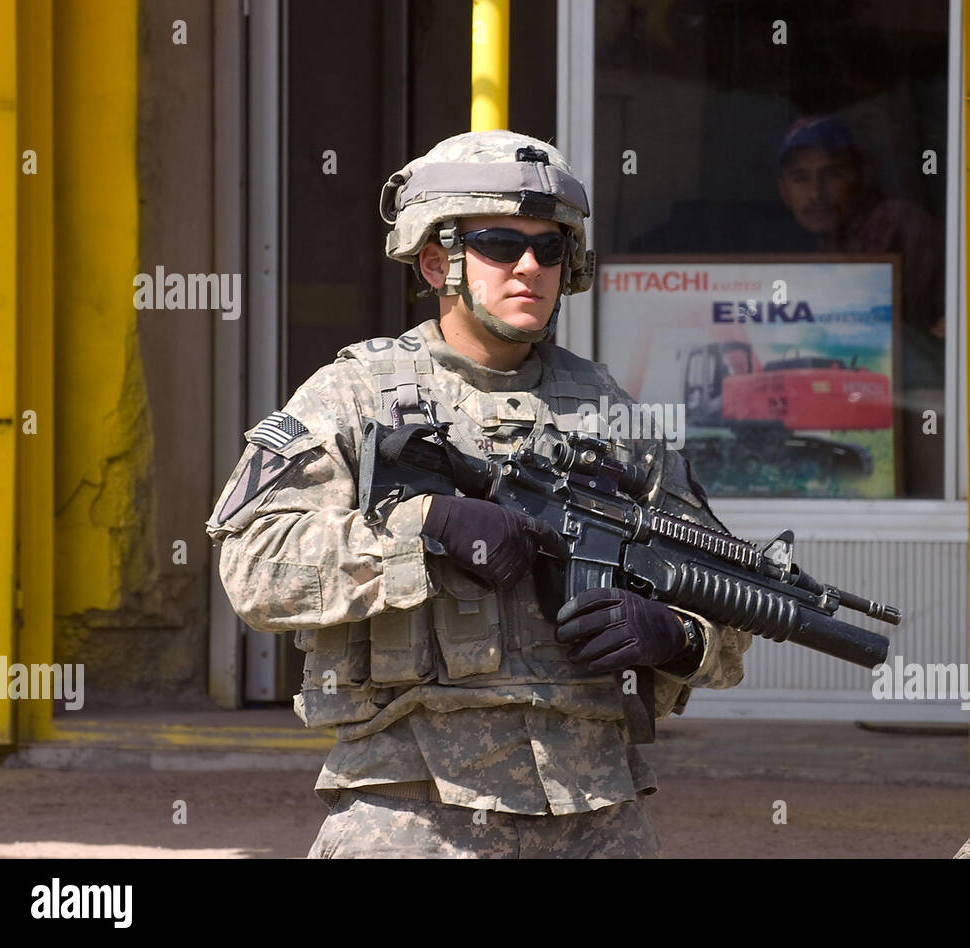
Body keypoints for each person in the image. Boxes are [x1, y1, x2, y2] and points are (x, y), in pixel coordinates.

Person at [206, 130, 751, 858]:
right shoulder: (358, 395)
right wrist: (424, 533)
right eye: (499, 245)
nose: (530, 267)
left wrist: (678, 637)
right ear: (438, 262)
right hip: (412, 807)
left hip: (597, 809)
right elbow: (255, 567)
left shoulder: (610, 415)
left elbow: (731, 592)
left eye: (549, 248)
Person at [776, 115, 946, 498]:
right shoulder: (817, 244)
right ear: (783, 190)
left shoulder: (897, 222)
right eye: (801, 178)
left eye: (831, 174)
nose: (816, 192)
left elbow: (899, 326)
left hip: (921, 400)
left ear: (861, 176)